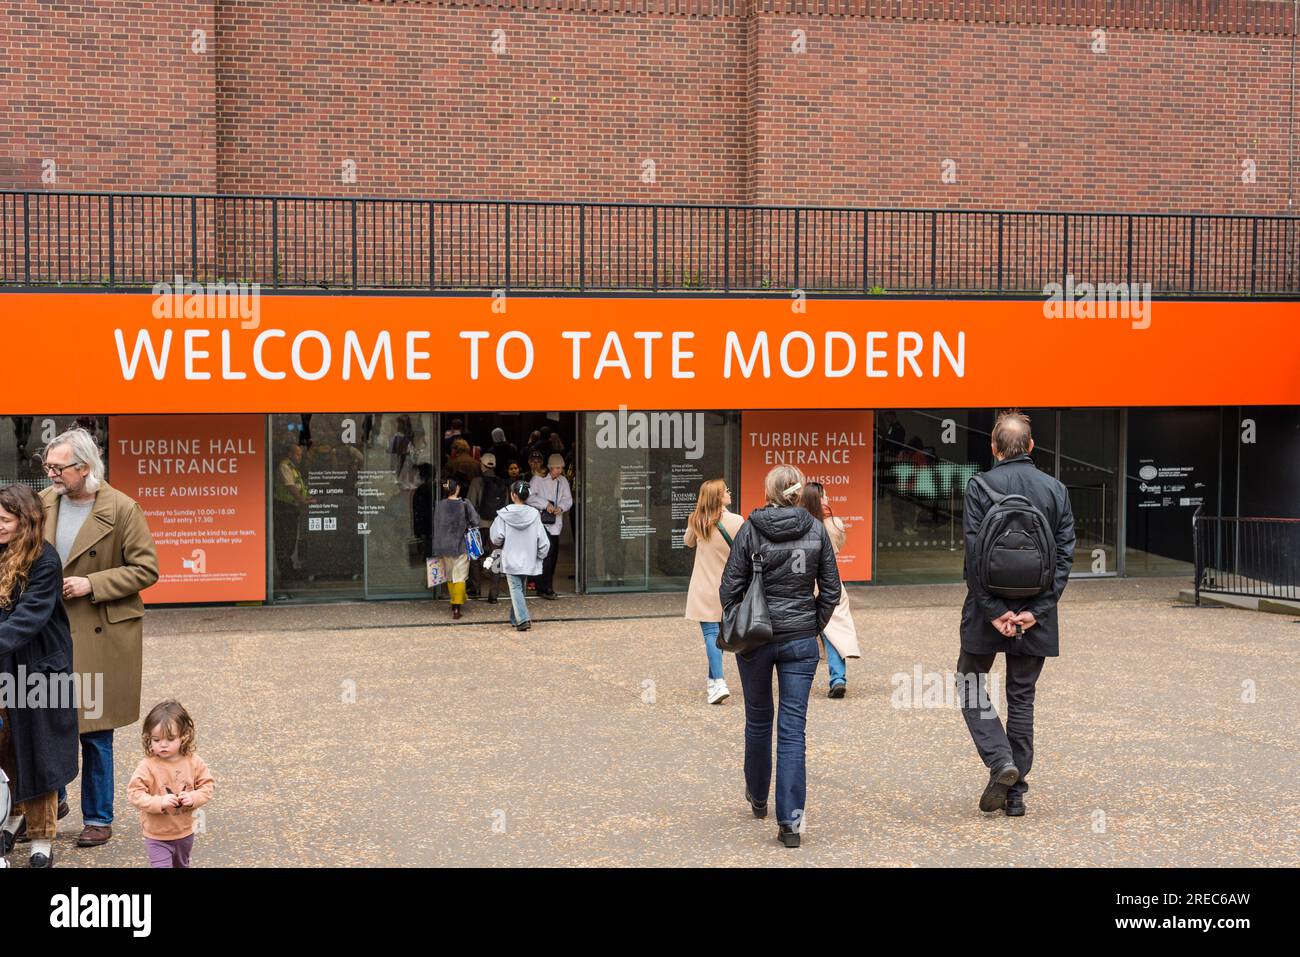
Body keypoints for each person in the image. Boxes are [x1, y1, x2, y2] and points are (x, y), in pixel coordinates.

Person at [39, 428, 159, 849]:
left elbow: (146, 570)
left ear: (85, 468)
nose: (50, 473)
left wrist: (93, 583)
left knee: (94, 731)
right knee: (49, 722)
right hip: (49, 631)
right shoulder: (43, 504)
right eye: (47, 465)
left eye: (58, 467)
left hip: (99, 631)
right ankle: (55, 804)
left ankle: (99, 818)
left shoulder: (123, 509)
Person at [958, 410, 1075, 818]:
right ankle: (1016, 794)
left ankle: (1000, 762)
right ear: (1030, 446)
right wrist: (1034, 613)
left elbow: (974, 557)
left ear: (994, 448)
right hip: (1034, 610)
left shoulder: (979, 486)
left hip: (985, 607)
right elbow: (1063, 560)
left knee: (969, 684)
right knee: (1021, 698)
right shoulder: (1055, 489)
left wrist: (993, 612)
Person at [719, 464, 840, 848]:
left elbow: (729, 588)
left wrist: (746, 617)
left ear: (769, 491)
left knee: (757, 719)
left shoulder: (751, 530)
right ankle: (791, 823)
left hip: (756, 638)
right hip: (801, 640)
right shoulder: (816, 528)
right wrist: (811, 623)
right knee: (793, 729)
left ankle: (757, 797)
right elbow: (832, 591)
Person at [0, 484, 79, 868]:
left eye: (4, 520)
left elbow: (28, 617)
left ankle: (42, 838)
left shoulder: (46, 560)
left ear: (26, 521)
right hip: (4, 664)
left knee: (40, 752)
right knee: (7, 749)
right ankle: (12, 817)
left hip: (39, 668)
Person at [127, 700, 214, 868]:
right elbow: (134, 793)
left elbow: (208, 786)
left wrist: (193, 797)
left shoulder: (193, 762)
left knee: (182, 865)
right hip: (156, 834)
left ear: (184, 736)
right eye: (156, 739)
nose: (163, 744)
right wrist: (159, 802)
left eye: (170, 738)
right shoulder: (147, 766)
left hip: (185, 831)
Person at [683, 479, 744, 706]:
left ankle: (718, 681)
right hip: (728, 587)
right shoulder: (737, 521)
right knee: (720, 635)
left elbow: (687, 542)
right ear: (719, 497)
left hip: (702, 586)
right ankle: (714, 682)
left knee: (711, 634)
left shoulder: (697, 519)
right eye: (726, 490)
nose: (729, 492)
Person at [800, 482, 861, 698]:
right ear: (820, 499)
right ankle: (837, 678)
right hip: (830, 581)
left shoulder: (799, 525)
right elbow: (840, 546)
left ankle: (798, 678)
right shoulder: (835, 524)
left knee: (801, 631)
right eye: (825, 495)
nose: (828, 498)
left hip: (804, 582)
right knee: (833, 631)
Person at [489, 480, 551, 633]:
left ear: (513, 495)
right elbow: (543, 541)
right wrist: (540, 555)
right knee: (520, 588)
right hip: (529, 558)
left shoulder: (504, 514)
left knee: (516, 588)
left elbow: (496, 538)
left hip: (511, 558)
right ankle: (515, 618)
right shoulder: (535, 514)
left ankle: (522, 620)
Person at [432, 478, 480, 620]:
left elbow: (437, 526)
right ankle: (456, 607)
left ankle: (455, 601)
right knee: (460, 576)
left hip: (444, 545)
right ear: (457, 488)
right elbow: (475, 521)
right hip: (461, 546)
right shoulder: (465, 504)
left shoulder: (439, 505)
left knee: (450, 575)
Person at [527, 453, 573, 600]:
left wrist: (561, 507)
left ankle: (546, 586)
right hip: (541, 524)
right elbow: (528, 497)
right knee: (545, 556)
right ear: (550, 467)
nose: (559, 471)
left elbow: (568, 499)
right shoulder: (538, 479)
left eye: (561, 468)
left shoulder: (563, 481)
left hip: (555, 524)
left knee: (552, 557)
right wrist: (545, 504)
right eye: (556, 468)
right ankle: (545, 588)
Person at [467, 453, 509, 603]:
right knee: (496, 557)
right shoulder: (502, 483)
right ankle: (493, 594)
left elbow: (470, 505)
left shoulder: (477, 482)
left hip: (479, 525)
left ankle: (475, 589)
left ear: (481, 464)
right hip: (496, 527)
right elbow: (505, 507)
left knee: (475, 558)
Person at [272, 441, 311, 582]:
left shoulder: (294, 468)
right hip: (284, 508)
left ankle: (289, 570)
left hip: (292, 508)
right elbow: (291, 487)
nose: (299, 457)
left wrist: (306, 498)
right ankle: (286, 572)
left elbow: (298, 487)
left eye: (301, 455)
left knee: (290, 540)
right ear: (289, 454)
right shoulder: (285, 466)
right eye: (297, 454)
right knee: (284, 540)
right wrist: (302, 500)